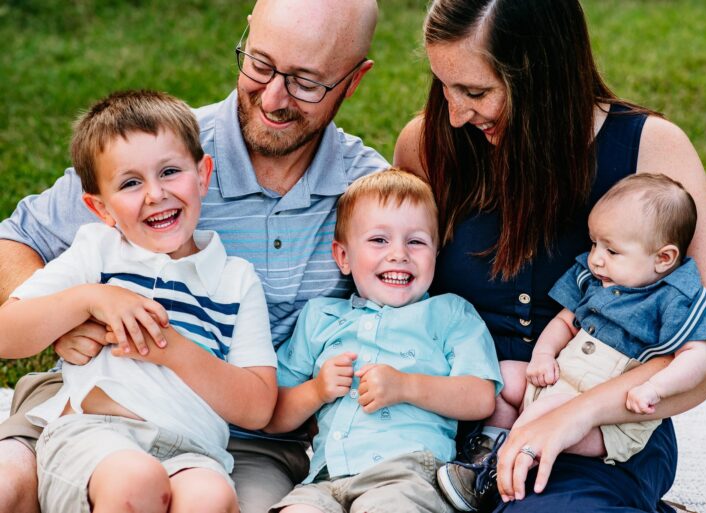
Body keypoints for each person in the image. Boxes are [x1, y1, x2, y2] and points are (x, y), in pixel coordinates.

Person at [0, 1, 385, 512]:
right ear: (247, 36)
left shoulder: (368, 195)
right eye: (261, 64)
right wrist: (72, 314)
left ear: (353, 82)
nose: (273, 97)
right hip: (92, 407)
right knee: (11, 486)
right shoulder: (158, 148)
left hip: (243, 445)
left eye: (306, 82)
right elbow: (15, 242)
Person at [394, 0, 706, 512]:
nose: (454, 113)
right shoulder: (428, 143)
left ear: (545, 77)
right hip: (448, 418)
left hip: (594, 435)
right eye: (443, 85)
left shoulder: (650, 150)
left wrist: (574, 415)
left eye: (476, 92)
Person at [0, 89, 278, 513]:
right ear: (101, 208)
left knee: (211, 498)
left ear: (203, 174)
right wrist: (91, 298)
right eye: (130, 183)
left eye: (170, 172)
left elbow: (258, 406)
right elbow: (7, 334)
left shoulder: (235, 280)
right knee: (135, 480)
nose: (155, 194)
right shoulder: (98, 252)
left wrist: (171, 348)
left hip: (193, 450)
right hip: (94, 433)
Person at [437, 173, 706, 512]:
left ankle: (490, 474)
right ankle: (486, 448)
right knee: (497, 379)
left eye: (612, 250)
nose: (596, 258)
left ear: (663, 258)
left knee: (541, 415)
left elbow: (698, 356)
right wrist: (543, 355)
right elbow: (565, 321)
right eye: (594, 244)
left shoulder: (674, 298)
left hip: (610, 421)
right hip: (561, 382)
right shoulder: (598, 278)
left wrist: (656, 388)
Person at [264, 169, 503, 513]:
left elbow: (481, 398)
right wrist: (316, 391)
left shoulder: (450, 314)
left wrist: (406, 386)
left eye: (416, 241)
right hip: (325, 479)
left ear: (436, 253)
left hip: (405, 476)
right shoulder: (321, 318)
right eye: (379, 240)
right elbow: (274, 413)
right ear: (343, 257)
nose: (398, 254)